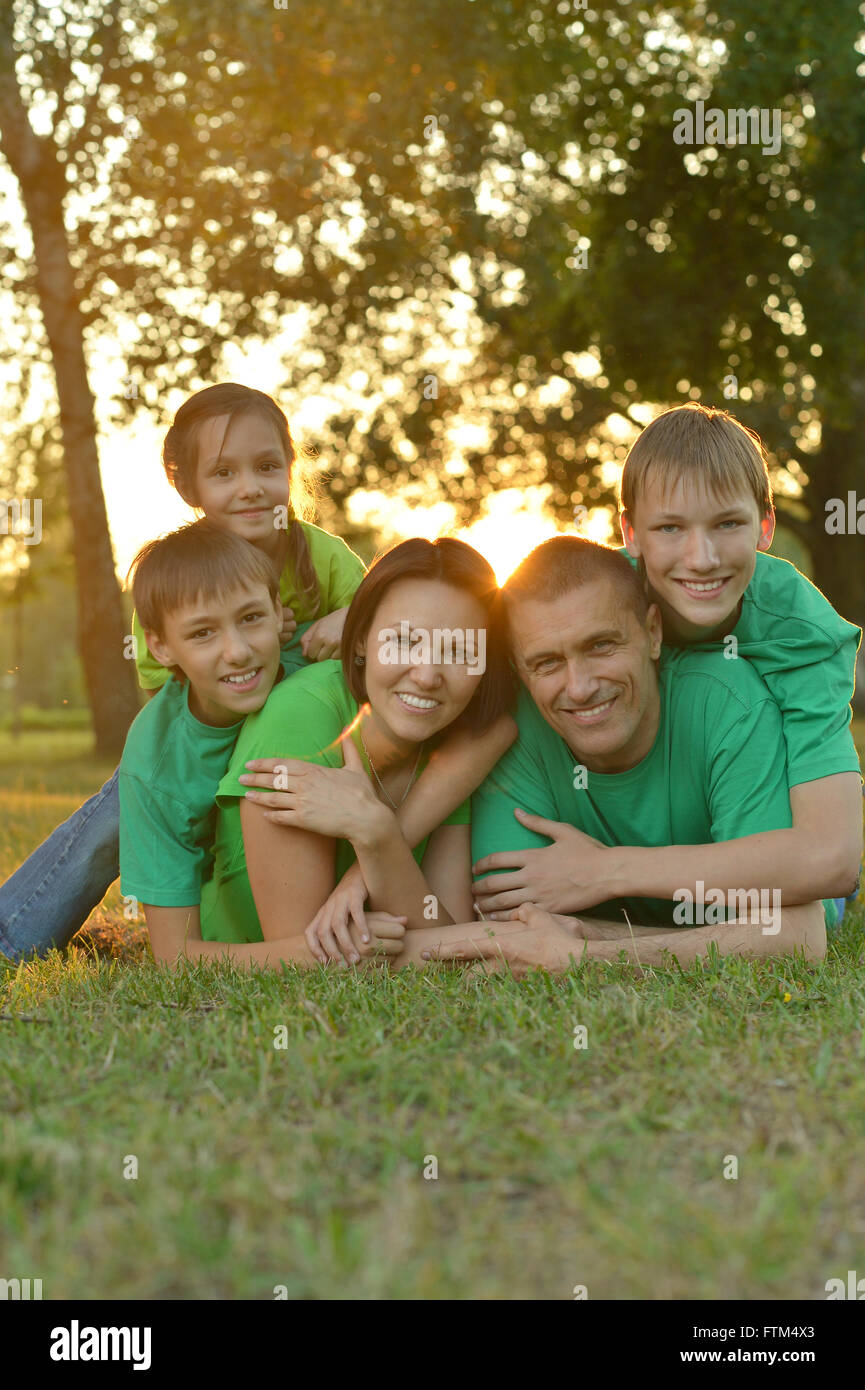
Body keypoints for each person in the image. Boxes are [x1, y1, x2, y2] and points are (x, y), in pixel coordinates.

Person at [0, 386, 513, 962]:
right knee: (121, 810)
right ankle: (12, 934)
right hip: (207, 737)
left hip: (299, 730)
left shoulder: (322, 557)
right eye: (224, 472)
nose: (249, 487)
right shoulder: (176, 583)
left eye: (267, 466)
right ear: (187, 485)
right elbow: (163, 694)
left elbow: (383, 615)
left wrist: (344, 621)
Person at [470, 404, 863, 925]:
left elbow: (830, 859)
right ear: (631, 534)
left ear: (765, 526)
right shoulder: (604, 597)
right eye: (670, 528)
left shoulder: (801, 632)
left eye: (727, 523)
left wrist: (606, 871)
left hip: (765, 833)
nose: (701, 558)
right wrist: (357, 618)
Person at [428, 536, 829, 974]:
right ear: (519, 669)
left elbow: (797, 933)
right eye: (546, 662)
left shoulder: (729, 704)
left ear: (652, 633)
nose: (579, 688)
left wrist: (589, 948)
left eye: (601, 645)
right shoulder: (511, 732)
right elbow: (516, 926)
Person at [195, 537, 517, 960]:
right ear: (361, 637)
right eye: (403, 641)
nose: (426, 675)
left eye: (458, 651)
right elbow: (313, 954)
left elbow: (447, 932)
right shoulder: (304, 714)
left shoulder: (446, 745)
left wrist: (377, 832)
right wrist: (425, 941)